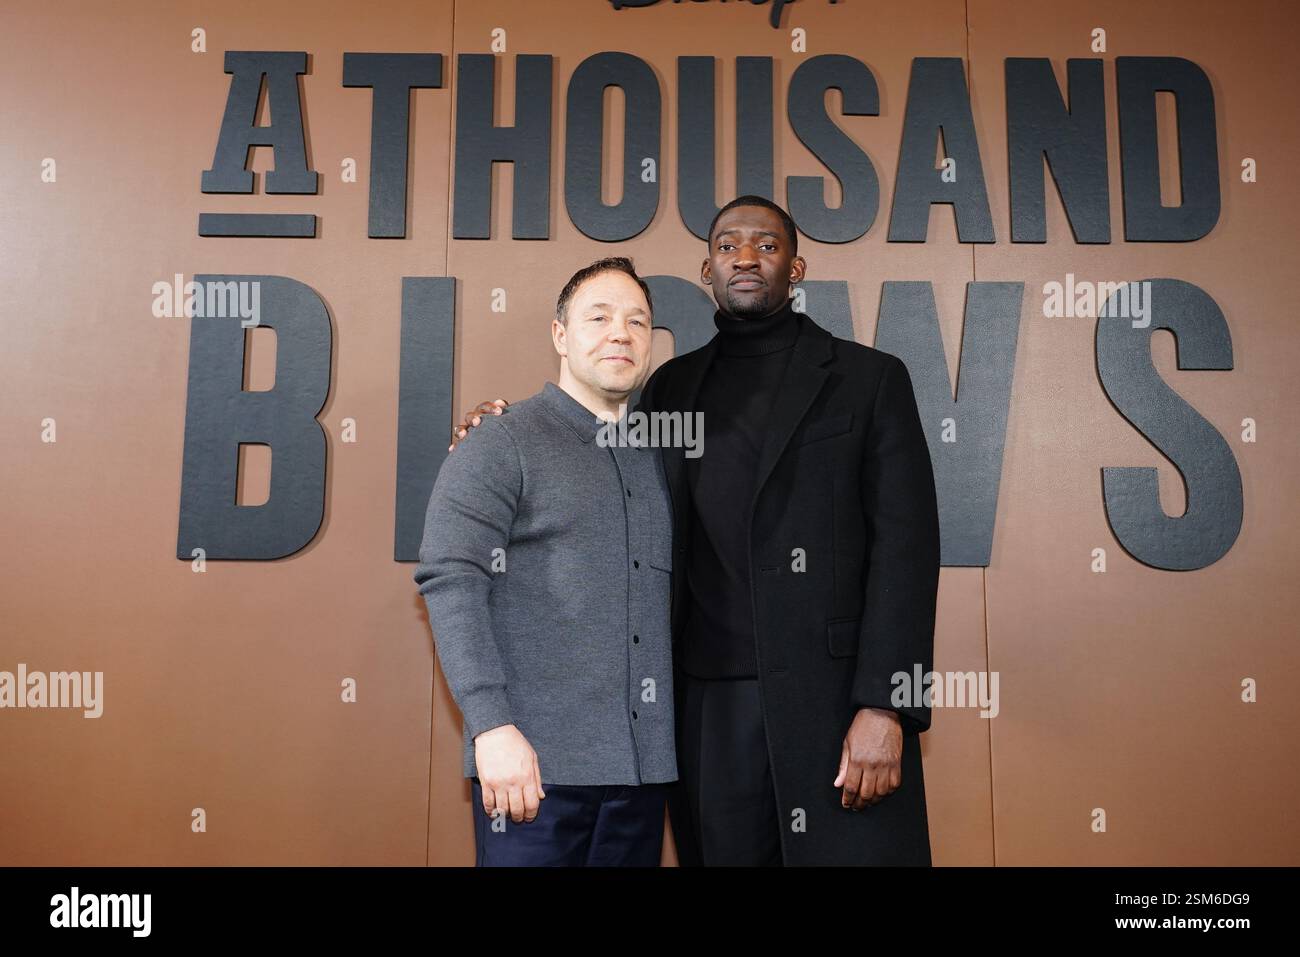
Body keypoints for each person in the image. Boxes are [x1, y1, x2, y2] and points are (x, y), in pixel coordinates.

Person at [454, 196, 941, 866]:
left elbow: (908, 552)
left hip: (834, 709)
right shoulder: (670, 390)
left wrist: (888, 706)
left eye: (766, 246)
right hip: (704, 713)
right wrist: (496, 424)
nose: (746, 257)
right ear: (706, 268)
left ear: (796, 266)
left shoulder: (870, 378)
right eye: (729, 245)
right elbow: (589, 464)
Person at [414, 257, 676, 866]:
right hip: (531, 772)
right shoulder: (501, 442)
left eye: (638, 321)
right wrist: (490, 726)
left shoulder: (663, 456)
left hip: (642, 778)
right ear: (560, 335)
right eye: (599, 316)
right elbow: (450, 578)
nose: (621, 333)